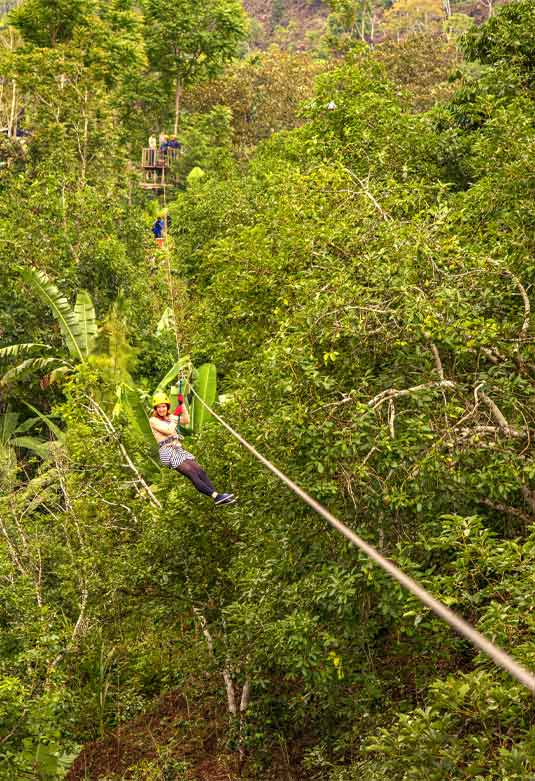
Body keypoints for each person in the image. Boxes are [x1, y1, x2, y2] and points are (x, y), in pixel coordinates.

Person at [149, 392, 235, 506]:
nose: (161, 409)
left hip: (178, 450)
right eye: (159, 407)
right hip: (167, 452)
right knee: (191, 473)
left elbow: (186, 420)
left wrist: (182, 405)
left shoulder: (170, 417)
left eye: (163, 406)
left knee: (200, 470)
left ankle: (218, 497)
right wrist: (175, 416)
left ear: (167, 406)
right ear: (155, 409)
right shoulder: (153, 420)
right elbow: (169, 430)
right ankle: (216, 496)